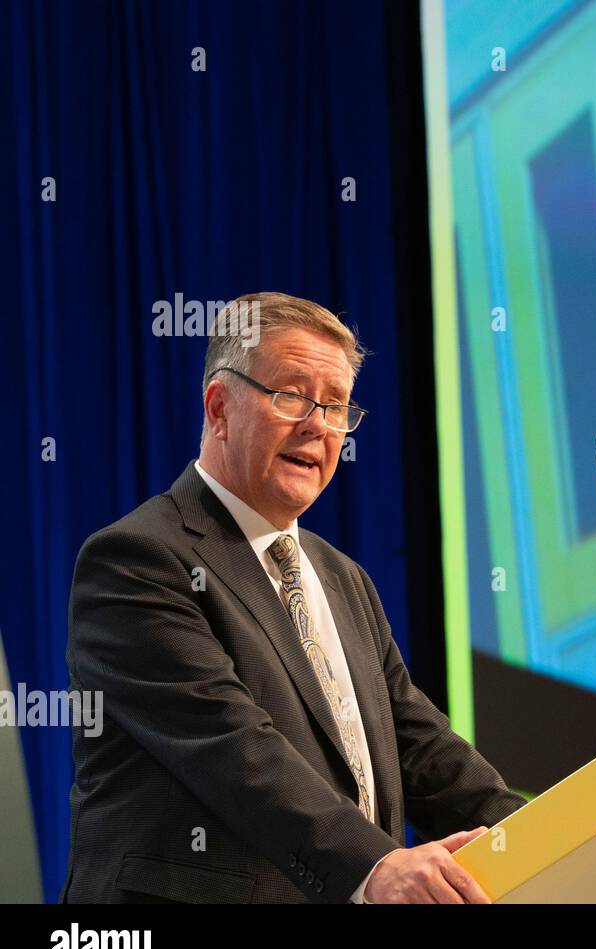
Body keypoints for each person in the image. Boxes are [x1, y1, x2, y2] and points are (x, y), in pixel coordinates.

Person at [62, 292, 525, 903]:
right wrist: (376, 866)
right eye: (291, 396)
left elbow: (419, 745)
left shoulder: (341, 576)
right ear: (220, 407)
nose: (317, 424)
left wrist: (534, 832)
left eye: (335, 406)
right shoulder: (139, 560)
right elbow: (233, 749)